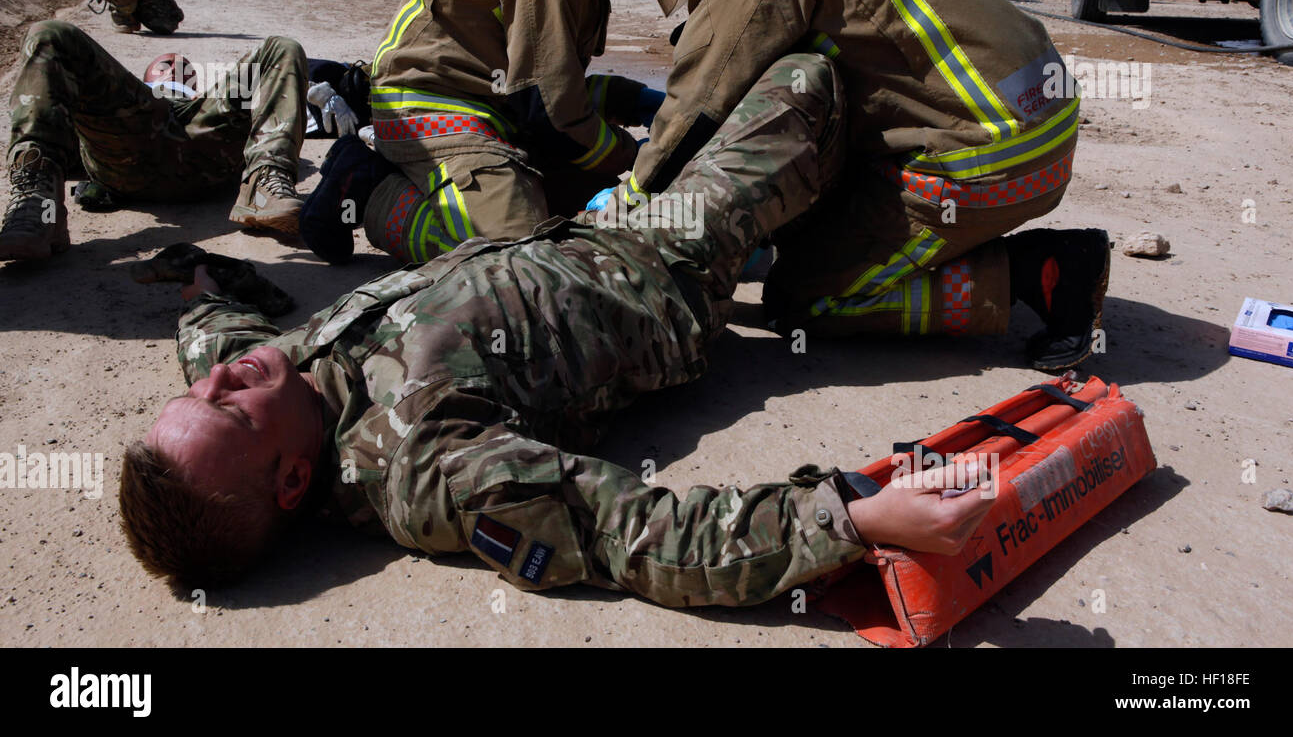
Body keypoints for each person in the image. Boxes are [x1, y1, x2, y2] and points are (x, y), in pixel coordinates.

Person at [119, 53, 996, 604]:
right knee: (805, 81)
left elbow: (215, 340)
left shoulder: (267, 384)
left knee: (668, 87)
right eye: (226, 406)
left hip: (586, 225)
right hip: (663, 270)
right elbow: (638, 537)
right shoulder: (435, 472)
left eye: (200, 390)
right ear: (291, 481)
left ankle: (808, 228)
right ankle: (866, 234)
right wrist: (852, 517)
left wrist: (206, 286)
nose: (223, 379)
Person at [606, 0, 1108, 371]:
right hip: (1042, 134)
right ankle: (918, 247)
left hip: (991, 163)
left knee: (801, 302)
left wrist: (633, 204)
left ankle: (1035, 273)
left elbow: (703, 97)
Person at [299, 0, 762, 265]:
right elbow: (548, 107)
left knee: (582, 208)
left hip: (495, 104)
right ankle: (371, 184)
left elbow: (555, 88)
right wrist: (637, 156)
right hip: (428, 100)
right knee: (517, 250)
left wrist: (644, 105)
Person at [0, 21, 307, 263]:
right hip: (133, 139)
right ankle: (39, 209)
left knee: (282, 47)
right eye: (164, 66)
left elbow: (270, 120)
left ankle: (266, 184)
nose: (172, 67)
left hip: (205, 135)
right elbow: (63, 133)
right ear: (145, 80)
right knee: (50, 32)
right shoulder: (129, 104)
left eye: (179, 68)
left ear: (194, 85)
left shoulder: (209, 103)